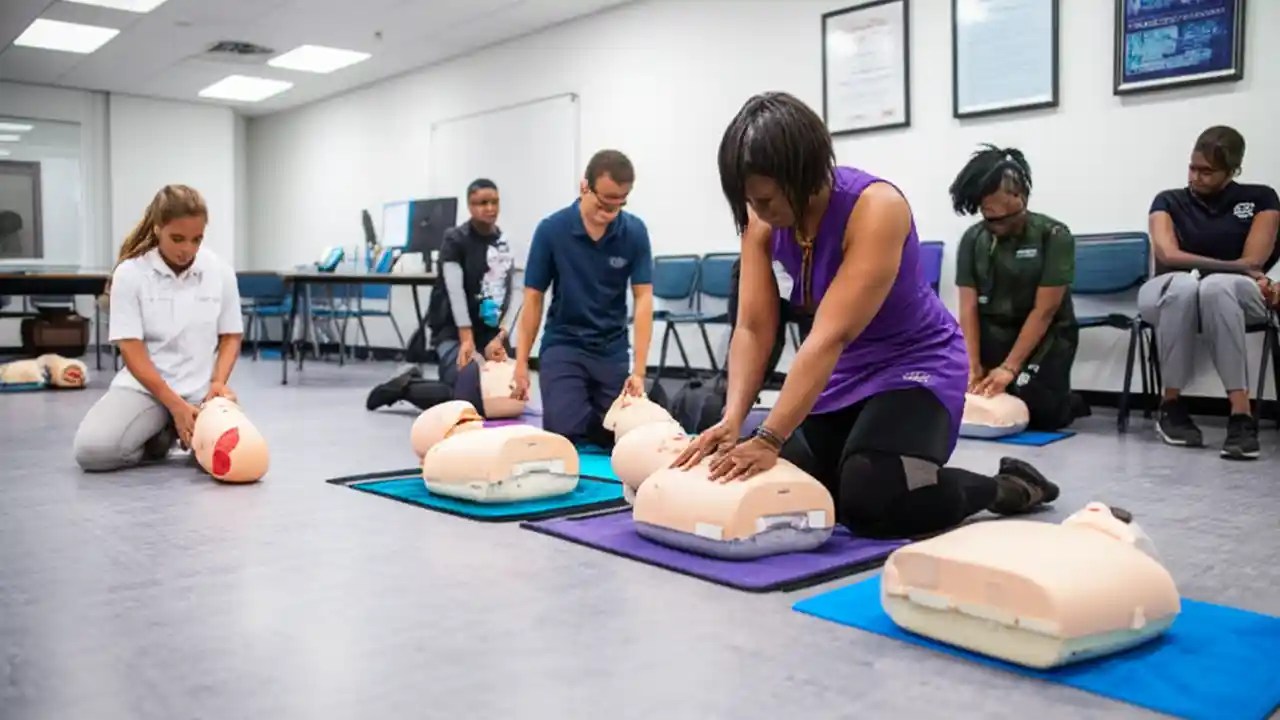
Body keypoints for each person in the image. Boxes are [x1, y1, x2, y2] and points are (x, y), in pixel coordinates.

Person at [673, 92, 1058, 540]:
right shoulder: (762, 220)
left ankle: (1006, 487)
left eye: (766, 200)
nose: (759, 214)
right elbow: (754, 327)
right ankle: (873, 464)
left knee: (871, 497)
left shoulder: (876, 208)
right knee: (788, 486)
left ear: (806, 176)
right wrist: (733, 419)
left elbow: (829, 336)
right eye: (749, 202)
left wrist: (771, 435)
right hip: (842, 373)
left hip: (917, 367)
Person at [73, 185, 243, 471]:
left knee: (235, 459)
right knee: (93, 452)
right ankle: (161, 437)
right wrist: (174, 406)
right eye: (177, 238)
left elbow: (231, 336)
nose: (186, 249)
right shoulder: (130, 273)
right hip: (144, 390)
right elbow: (130, 348)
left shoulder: (220, 272)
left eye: (196, 240)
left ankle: (163, 431)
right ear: (157, 229)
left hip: (200, 394)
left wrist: (218, 383)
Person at [1140, 125, 1280, 459]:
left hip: (1236, 293)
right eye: (1193, 167)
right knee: (1187, 286)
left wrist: (1225, 271)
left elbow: (1255, 259)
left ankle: (1241, 415)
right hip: (1173, 287)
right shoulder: (1168, 200)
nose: (1196, 177)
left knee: (1215, 288)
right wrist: (1235, 267)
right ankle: (1170, 406)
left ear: (1232, 171)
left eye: (1207, 171)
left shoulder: (1261, 198)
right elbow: (1168, 256)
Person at [511, 150, 654, 446]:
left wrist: (639, 371)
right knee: (564, 434)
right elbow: (533, 299)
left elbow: (643, 300)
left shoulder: (635, 232)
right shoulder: (551, 231)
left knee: (621, 435)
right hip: (565, 344)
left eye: (619, 204)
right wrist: (521, 363)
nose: (610, 213)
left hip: (611, 349)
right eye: (604, 203)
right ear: (584, 187)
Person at [950, 144, 1084, 432]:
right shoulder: (973, 239)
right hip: (992, 333)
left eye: (1000, 219)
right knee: (980, 400)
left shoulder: (1054, 235)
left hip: (1046, 335)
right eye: (987, 218)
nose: (993, 224)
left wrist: (1010, 368)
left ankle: (1069, 402)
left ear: (1018, 196)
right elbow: (968, 307)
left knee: (1042, 417)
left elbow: (1045, 310)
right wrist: (972, 364)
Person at [366, 178, 517, 412]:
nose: (490, 208)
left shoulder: (501, 242)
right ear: (470, 206)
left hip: (489, 333)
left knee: (509, 392)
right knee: (466, 396)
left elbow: (508, 291)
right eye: (482, 203)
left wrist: (501, 335)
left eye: (494, 202)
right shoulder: (455, 240)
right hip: (454, 332)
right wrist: (466, 338)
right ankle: (404, 386)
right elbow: (454, 292)